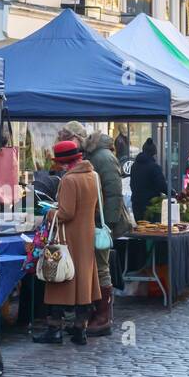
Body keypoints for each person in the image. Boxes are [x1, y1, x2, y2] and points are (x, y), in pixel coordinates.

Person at [33, 140, 101, 346]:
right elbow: (96, 208)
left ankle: (54, 329)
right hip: (86, 238)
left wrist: (49, 211)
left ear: (64, 163)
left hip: (67, 239)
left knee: (58, 282)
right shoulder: (93, 175)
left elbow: (66, 213)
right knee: (83, 286)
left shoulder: (69, 180)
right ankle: (80, 329)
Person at [85, 131, 126, 336]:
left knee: (102, 267)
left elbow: (114, 193)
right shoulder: (96, 156)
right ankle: (98, 313)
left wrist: (107, 223)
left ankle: (103, 317)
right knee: (98, 266)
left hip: (101, 222)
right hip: (97, 220)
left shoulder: (104, 157)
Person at [129, 137, 169, 222]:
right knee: (151, 231)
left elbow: (132, 184)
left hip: (136, 203)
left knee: (140, 229)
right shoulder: (154, 167)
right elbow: (161, 185)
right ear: (153, 153)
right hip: (150, 205)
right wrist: (171, 192)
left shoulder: (134, 166)